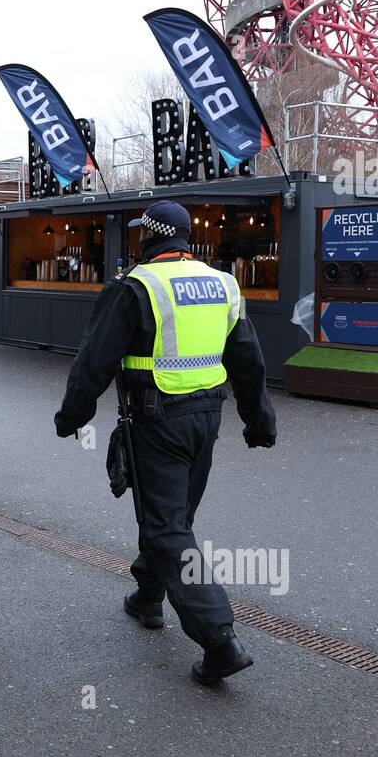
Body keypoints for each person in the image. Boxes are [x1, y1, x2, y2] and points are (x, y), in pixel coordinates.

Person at [53, 201, 277, 687]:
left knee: (167, 527)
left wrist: (72, 414)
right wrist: (258, 418)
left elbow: (94, 359)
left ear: (148, 237)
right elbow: (247, 357)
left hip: (156, 420)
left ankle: (220, 638)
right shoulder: (221, 283)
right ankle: (149, 594)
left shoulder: (135, 286)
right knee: (172, 516)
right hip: (206, 419)